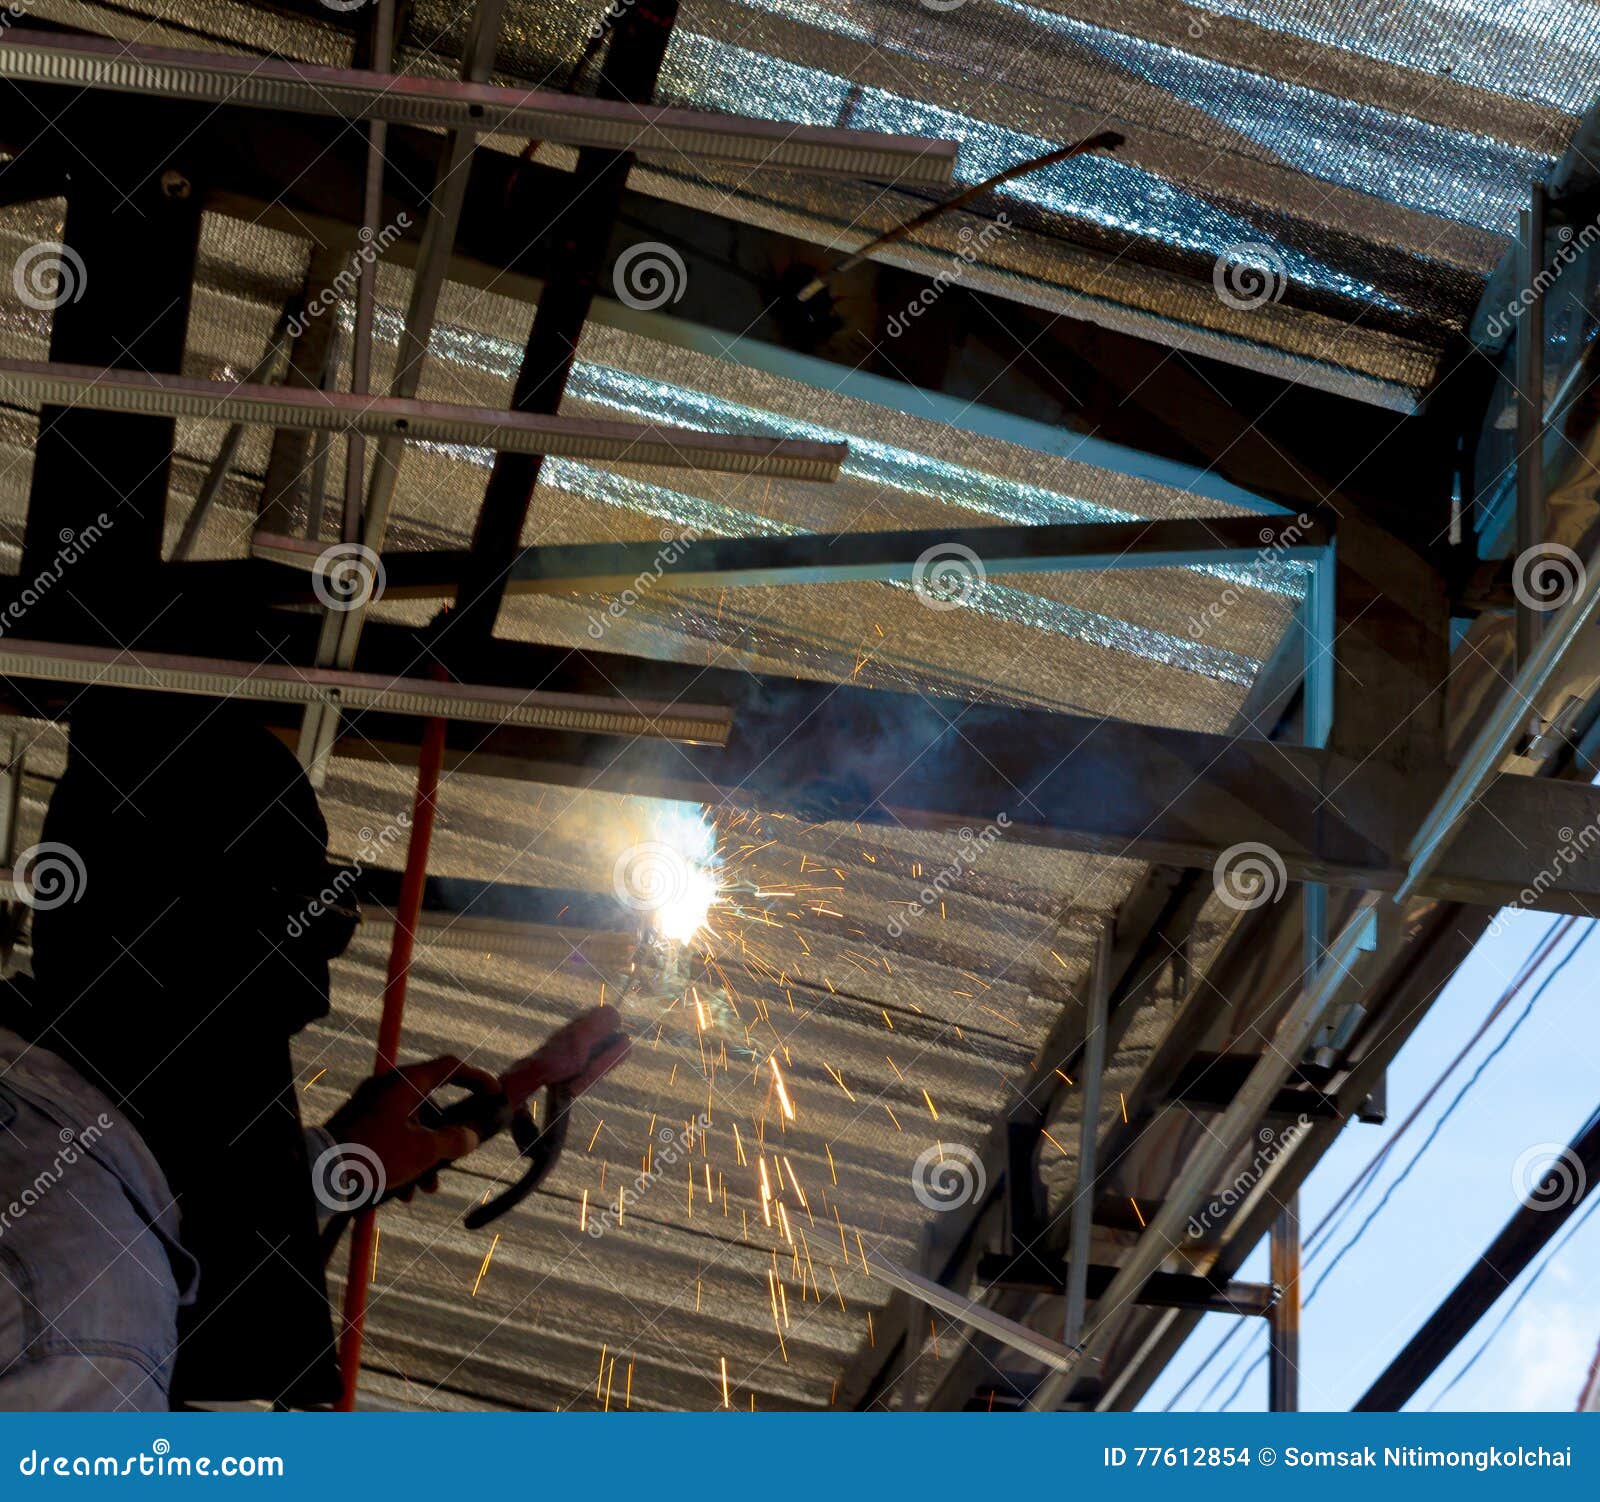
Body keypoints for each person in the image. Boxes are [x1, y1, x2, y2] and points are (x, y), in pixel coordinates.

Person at [0, 696, 627, 1410]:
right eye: (300, 929)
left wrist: (345, 1164)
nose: (314, 1000)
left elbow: (202, 1193)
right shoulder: (85, 1320)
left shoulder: (78, 1191)